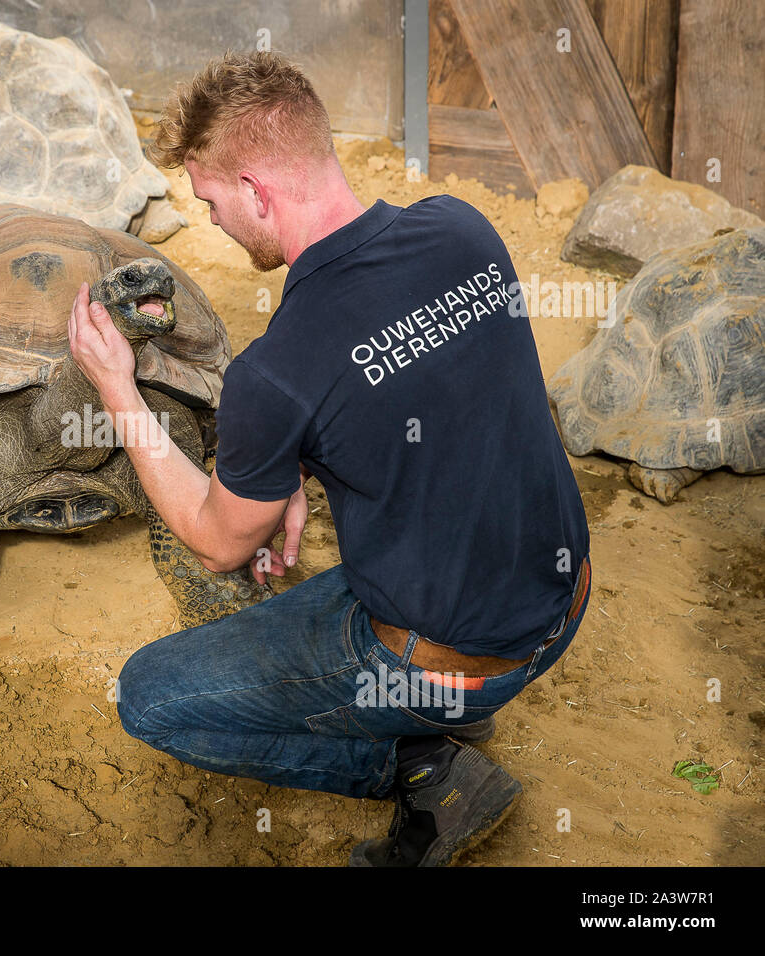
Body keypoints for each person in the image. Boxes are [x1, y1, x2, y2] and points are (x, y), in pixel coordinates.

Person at [67, 50, 590, 866]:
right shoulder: (464, 229)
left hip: (458, 657)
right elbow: (420, 385)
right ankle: (444, 707)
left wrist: (118, 392)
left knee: (151, 698)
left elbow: (216, 543)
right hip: (562, 599)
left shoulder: (275, 373)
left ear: (255, 191)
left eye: (209, 200)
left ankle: (426, 771)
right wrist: (298, 461)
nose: (210, 220)